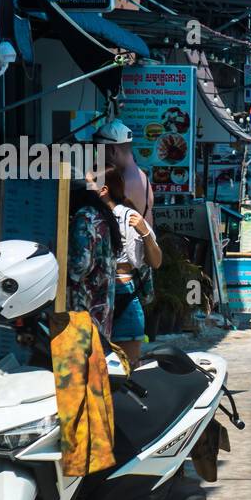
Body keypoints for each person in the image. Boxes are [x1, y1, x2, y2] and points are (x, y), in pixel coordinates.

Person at [91, 165, 161, 364]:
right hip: (96, 296)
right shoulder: (89, 217)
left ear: (103, 190)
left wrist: (144, 232)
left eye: (88, 184)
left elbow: (155, 261)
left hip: (122, 295)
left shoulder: (127, 216)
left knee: (127, 370)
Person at [67, 174, 123, 338]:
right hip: (102, 311)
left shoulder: (84, 218)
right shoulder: (102, 215)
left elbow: (79, 265)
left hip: (84, 310)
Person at [94, 119, 154, 224]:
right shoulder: (142, 176)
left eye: (98, 150)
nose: (98, 156)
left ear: (112, 150)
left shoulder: (120, 183)